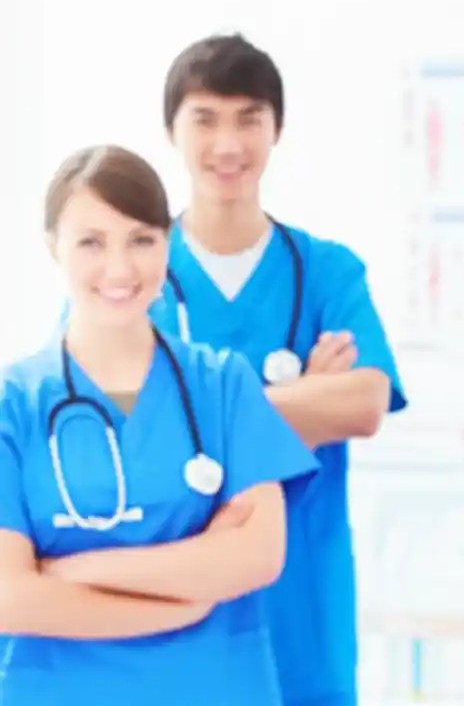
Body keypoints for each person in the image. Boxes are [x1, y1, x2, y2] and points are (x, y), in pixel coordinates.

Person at [0, 145, 319, 703]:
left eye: (141, 240)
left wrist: (75, 570)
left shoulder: (222, 385)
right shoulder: (14, 404)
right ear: (54, 248)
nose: (120, 269)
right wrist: (189, 598)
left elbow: (258, 556)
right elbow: (10, 597)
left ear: (166, 246)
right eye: (91, 242)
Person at [149, 34, 408, 706]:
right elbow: (109, 420)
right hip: (171, 593)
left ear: (277, 130)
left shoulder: (326, 271)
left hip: (299, 598)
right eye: (205, 120)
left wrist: (191, 416)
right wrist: (296, 401)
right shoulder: (133, 275)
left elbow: (364, 402)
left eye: (248, 119)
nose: (228, 145)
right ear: (171, 129)